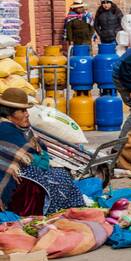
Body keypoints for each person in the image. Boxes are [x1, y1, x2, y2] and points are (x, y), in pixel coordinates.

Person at [0, 87, 84, 215]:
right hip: (12, 186)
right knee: (38, 177)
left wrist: (41, 158)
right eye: (22, 111)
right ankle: (37, 212)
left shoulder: (22, 130)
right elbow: (34, 161)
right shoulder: (6, 130)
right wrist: (41, 158)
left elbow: (39, 154)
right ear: (9, 113)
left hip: (24, 172)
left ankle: (68, 208)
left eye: (26, 110)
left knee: (61, 174)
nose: (27, 114)